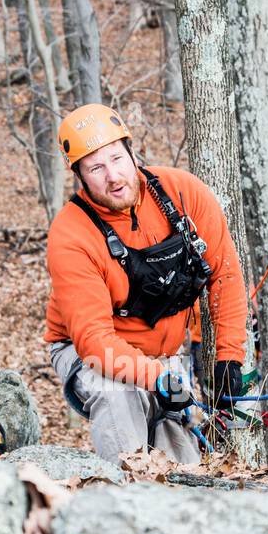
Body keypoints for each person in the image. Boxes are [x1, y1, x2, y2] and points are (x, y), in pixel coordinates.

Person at [45, 103, 248, 463]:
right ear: (80, 176)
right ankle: (125, 498)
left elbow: (225, 274)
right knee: (118, 394)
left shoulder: (184, 193)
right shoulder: (71, 234)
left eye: (116, 159)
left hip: (165, 356)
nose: (113, 176)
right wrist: (155, 377)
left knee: (183, 464)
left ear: (131, 152)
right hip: (92, 355)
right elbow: (93, 340)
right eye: (96, 167)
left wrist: (229, 358)